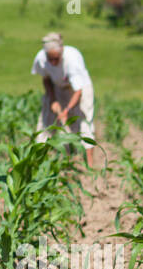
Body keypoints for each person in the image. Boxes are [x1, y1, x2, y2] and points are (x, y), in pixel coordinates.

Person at [30, 32, 99, 168]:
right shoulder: (41, 59)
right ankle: (40, 163)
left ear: (61, 51)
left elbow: (78, 91)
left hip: (80, 88)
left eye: (56, 59)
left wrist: (66, 110)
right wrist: (53, 100)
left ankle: (90, 166)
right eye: (50, 59)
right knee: (46, 122)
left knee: (83, 122)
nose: (53, 62)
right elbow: (46, 79)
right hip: (57, 87)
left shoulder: (72, 60)